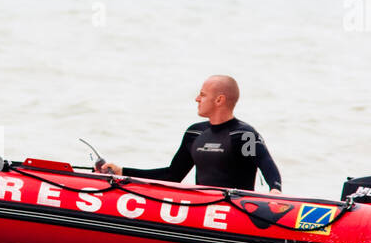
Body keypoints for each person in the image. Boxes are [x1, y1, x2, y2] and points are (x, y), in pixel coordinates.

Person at [101, 75, 282, 192]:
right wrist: (122, 171)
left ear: (219, 100)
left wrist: (275, 190)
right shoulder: (195, 133)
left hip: (233, 211)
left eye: (202, 95)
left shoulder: (242, 135)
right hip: (201, 208)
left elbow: (267, 167)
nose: (197, 99)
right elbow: (172, 176)